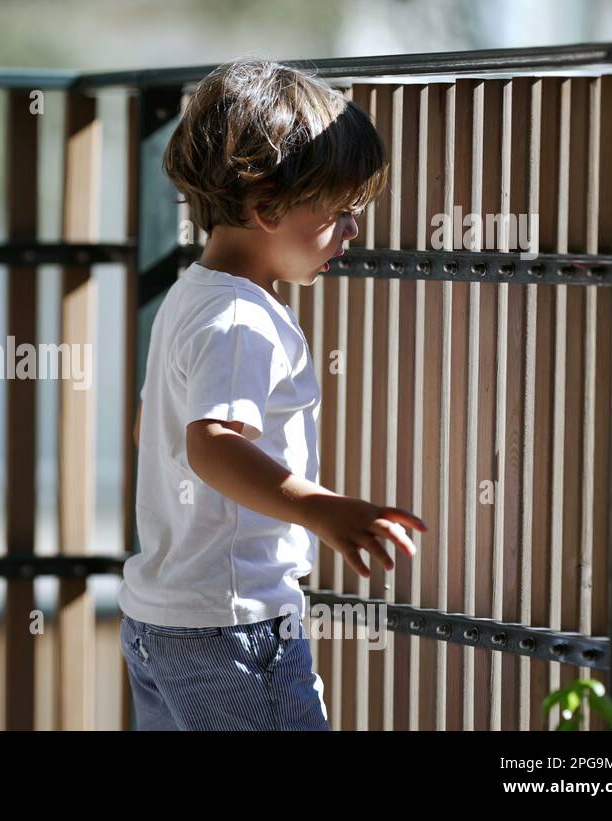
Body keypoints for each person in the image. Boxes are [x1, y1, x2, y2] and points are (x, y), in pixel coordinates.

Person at [119, 58, 427, 731]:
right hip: (233, 629)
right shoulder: (241, 318)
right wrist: (324, 510)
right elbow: (211, 446)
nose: (351, 233)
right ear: (266, 209)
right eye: (341, 214)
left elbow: (156, 432)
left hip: (159, 618)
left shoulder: (190, 296)